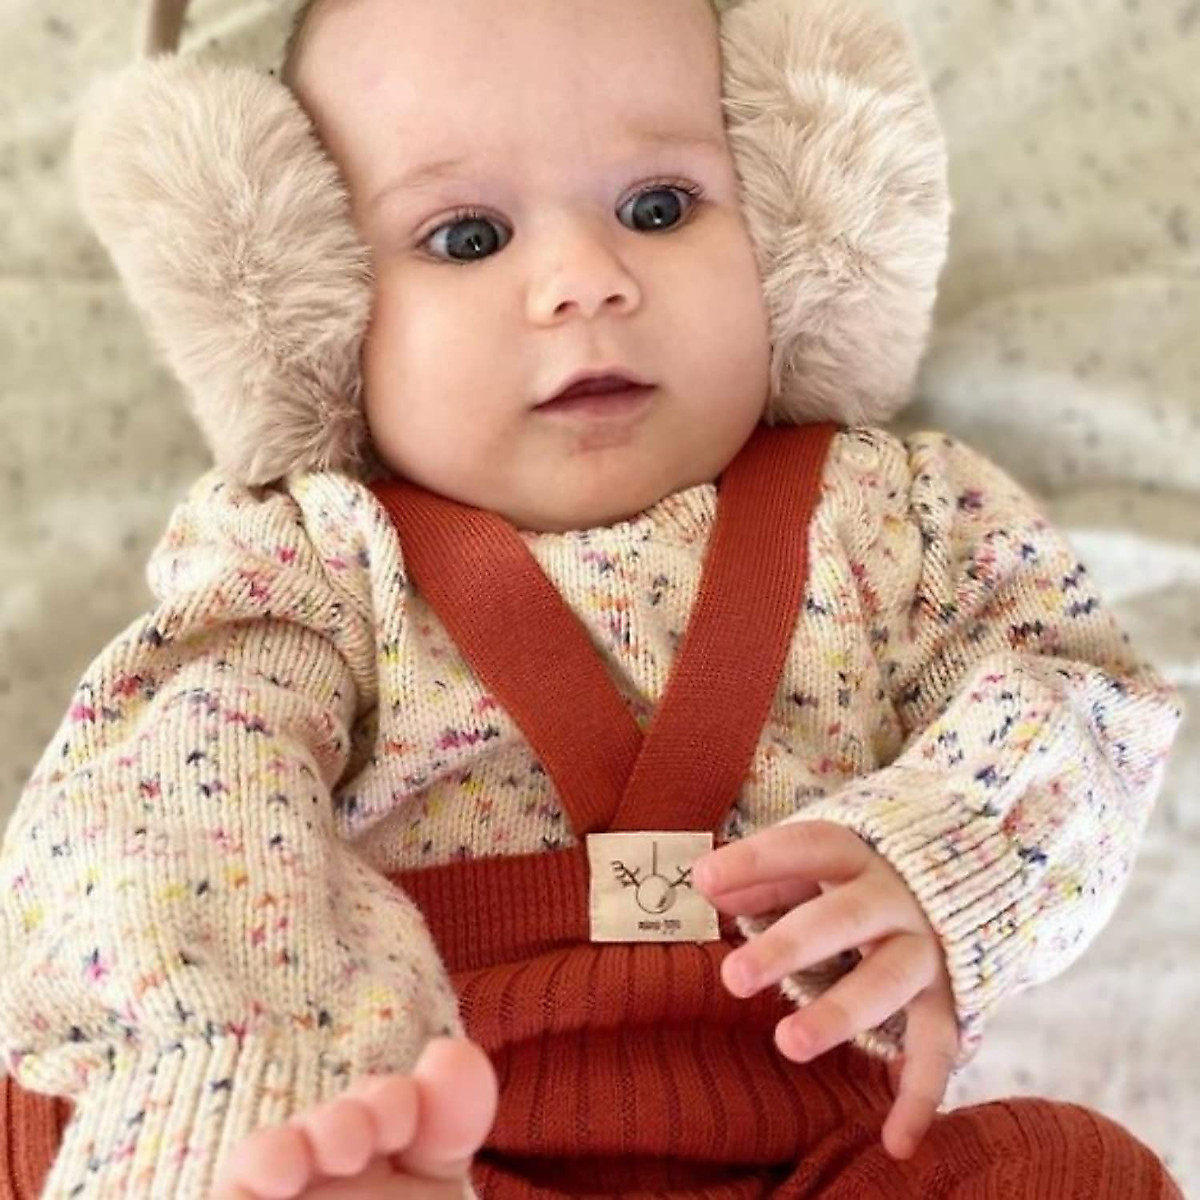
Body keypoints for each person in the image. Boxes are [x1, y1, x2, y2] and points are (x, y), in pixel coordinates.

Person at [0, 0, 1185, 1196]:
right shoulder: (314, 561)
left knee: (1072, 1171)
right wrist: (254, 1081)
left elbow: (1080, 702)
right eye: (467, 237)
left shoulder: (899, 516)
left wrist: (949, 859)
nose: (586, 281)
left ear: (797, 232)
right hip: (420, 1129)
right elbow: (163, 795)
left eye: (659, 208)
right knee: (64, 1097)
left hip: (821, 1151)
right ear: (308, 309)